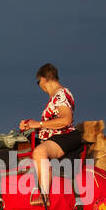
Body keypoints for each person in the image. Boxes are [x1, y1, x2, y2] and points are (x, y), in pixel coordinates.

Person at [19, 63, 82, 200]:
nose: (40, 85)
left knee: (39, 152)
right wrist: (31, 125)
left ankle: (43, 195)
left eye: (38, 82)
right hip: (56, 137)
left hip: (65, 136)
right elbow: (50, 124)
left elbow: (66, 120)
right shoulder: (55, 98)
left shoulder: (61, 94)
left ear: (44, 79)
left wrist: (38, 124)